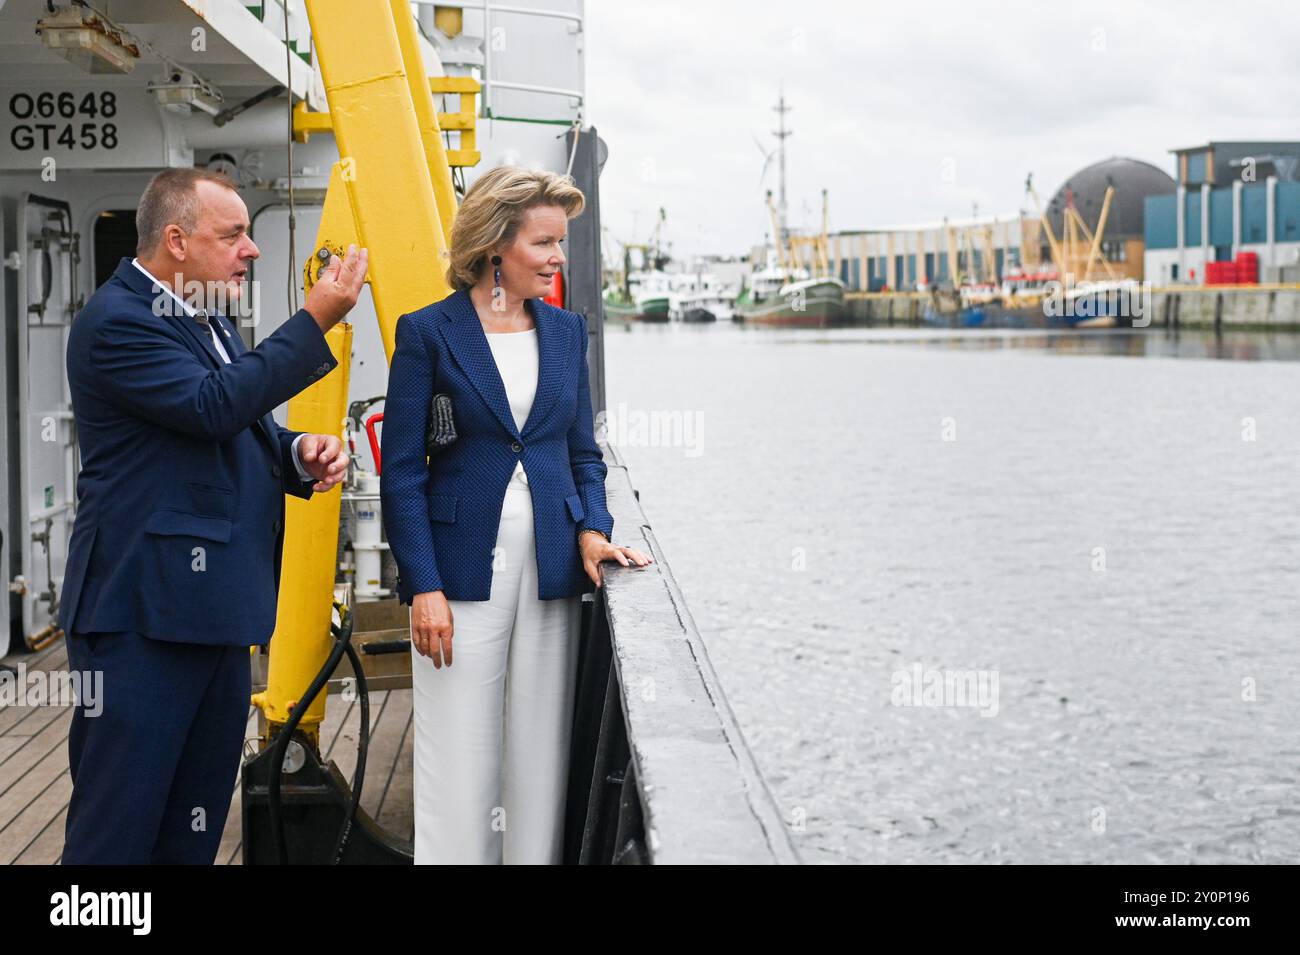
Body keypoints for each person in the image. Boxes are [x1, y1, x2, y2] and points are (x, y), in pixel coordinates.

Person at [58, 167, 368, 864]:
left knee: (189, 828)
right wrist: (315, 318)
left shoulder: (203, 317)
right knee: (117, 831)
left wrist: (294, 453)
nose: (251, 250)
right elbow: (211, 407)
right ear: (175, 240)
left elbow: (229, 418)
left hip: (209, 615)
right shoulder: (117, 323)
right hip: (141, 620)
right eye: (234, 234)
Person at [381, 165, 652, 864]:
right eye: (545, 243)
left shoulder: (566, 332)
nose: (560, 258)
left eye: (562, 243)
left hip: (552, 570)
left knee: (539, 764)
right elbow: (404, 471)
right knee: (458, 762)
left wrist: (594, 529)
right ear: (497, 243)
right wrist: (424, 584)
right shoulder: (429, 333)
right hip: (458, 574)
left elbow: (583, 452)